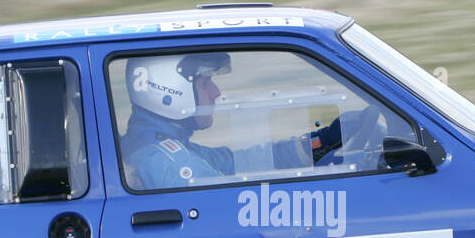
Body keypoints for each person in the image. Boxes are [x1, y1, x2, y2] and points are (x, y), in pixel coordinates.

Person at [120, 52, 382, 189]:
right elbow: (240, 204)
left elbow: (241, 163)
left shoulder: (161, 147)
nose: (216, 92)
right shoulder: (167, 163)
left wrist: (322, 141)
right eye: (205, 82)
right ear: (169, 92)